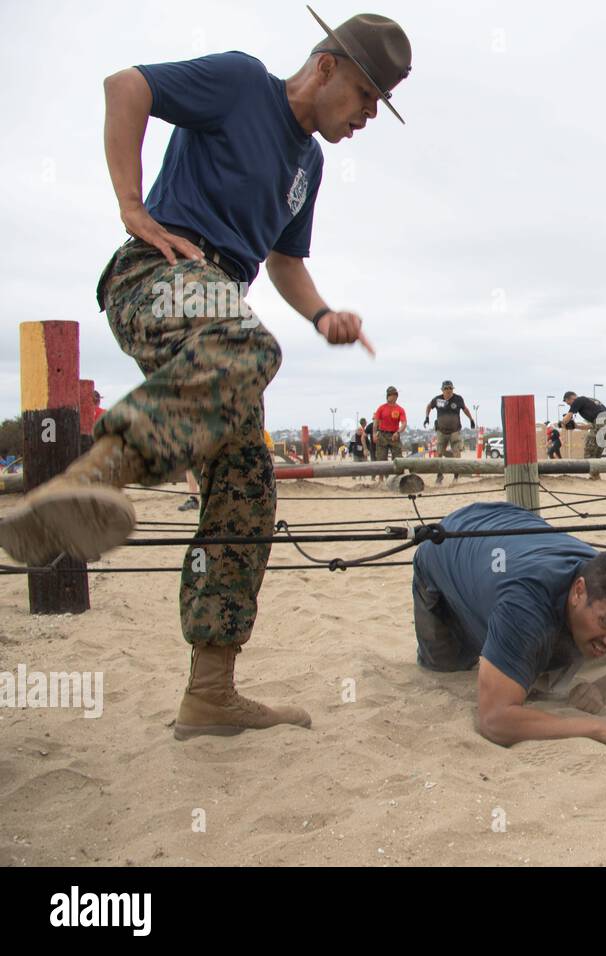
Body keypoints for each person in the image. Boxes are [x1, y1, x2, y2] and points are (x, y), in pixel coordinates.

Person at [0, 10, 413, 740]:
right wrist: (132, 207)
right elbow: (125, 86)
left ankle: (210, 692)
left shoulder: (307, 166)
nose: (368, 117)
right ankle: (94, 473)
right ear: (325, 67)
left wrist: (322, 317)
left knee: (248, 489)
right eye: (365, 96)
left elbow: (284, 261)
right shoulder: (237, 81)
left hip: (220, 307)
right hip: (157, 273)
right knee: (250, 347)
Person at [412, 502, 606, 750]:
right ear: (578, 591)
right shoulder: (525, 605)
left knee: (553, 648)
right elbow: (494, 720)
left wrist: (601, 688)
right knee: (447, 664)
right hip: (445, 545)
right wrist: (600, 728)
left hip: (514, 526)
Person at [422, 379, 475, 484]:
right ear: (442, 389)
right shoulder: (437, 400)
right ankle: (439, 475)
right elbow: (429, 406)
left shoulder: (458, 399)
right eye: (446, 388)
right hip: (441, 432)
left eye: (450, 388)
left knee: (456, 453)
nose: (448, 390)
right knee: (439, 454)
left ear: (452, 389)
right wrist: (427, 417)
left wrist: (471, 419)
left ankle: (456, 476)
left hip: (455, 431)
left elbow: (465, 409)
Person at [557, 391, 606, 479]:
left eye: (569, 403)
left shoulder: (578, 400)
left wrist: (561, 424)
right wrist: (577, 426)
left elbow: (568, 416)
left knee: (589, 452)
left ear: (571, 398)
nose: (570, 406)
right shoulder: (590, 402)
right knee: (596, 453)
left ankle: (594, 476)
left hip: (601, 422)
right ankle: (596, 476)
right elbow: (592, 426)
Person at [372, 386, 406, 460]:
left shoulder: (400, 409)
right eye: (389, 395)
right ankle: (382, 471)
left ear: (396, 396)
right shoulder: (381, 408)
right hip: (382, 435)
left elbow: (404, 423)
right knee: (381, 459)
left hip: (394, 435)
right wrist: (374, 433)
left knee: (398, 459)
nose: (391, 397)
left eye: (393, 395)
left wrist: (398, 432)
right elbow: (375, 422)